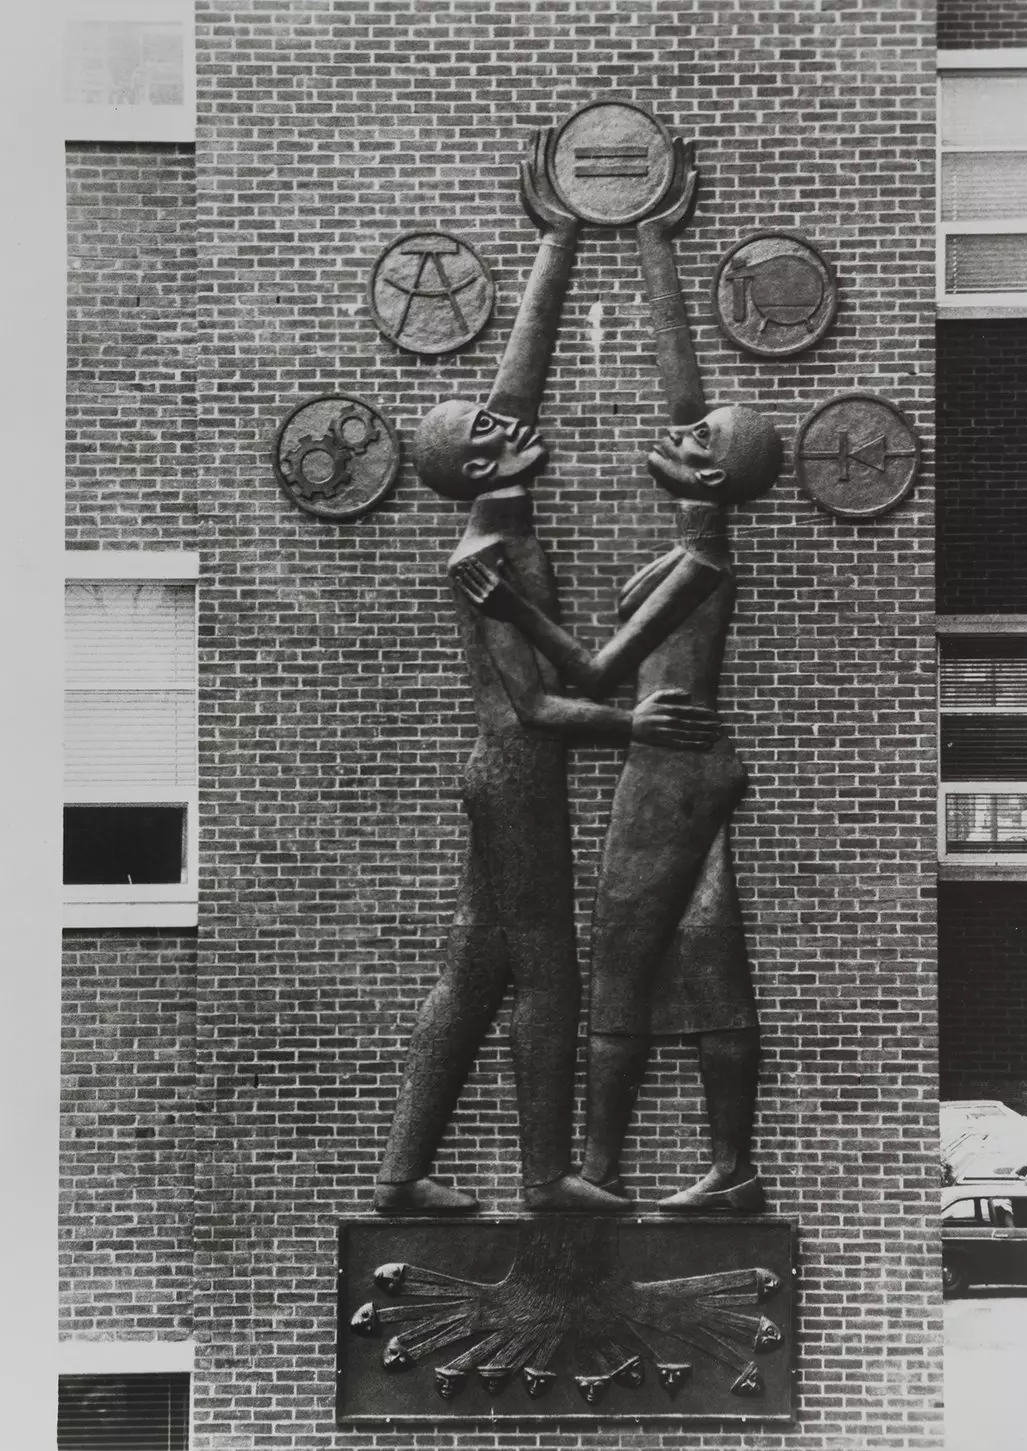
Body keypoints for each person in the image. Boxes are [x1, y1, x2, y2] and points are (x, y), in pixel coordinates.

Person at [374, 132, 720, 1215]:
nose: (510, 425)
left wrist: (568, 241)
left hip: (502, 769)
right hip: (519, 769)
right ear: (476, 469)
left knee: (475, 970)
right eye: (489, 434)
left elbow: (514, 394)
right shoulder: (488, 555)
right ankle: (542, 1176)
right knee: (548, 973)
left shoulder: (499, 524)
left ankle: (398, 1177)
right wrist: (634, 727)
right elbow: (536, 701)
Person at [455, 141, 782, 1210]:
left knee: (617, 965)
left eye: (695, 448)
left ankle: (595, 1172)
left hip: (667, 764)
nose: (676, 438)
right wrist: (648, 239)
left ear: (710, 481)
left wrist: (514, 611)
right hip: (688, 765)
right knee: (706, 952)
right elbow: (691, 410)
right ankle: (731, 1170)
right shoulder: (704, 519)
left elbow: (595, 667)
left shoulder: (700, 558)